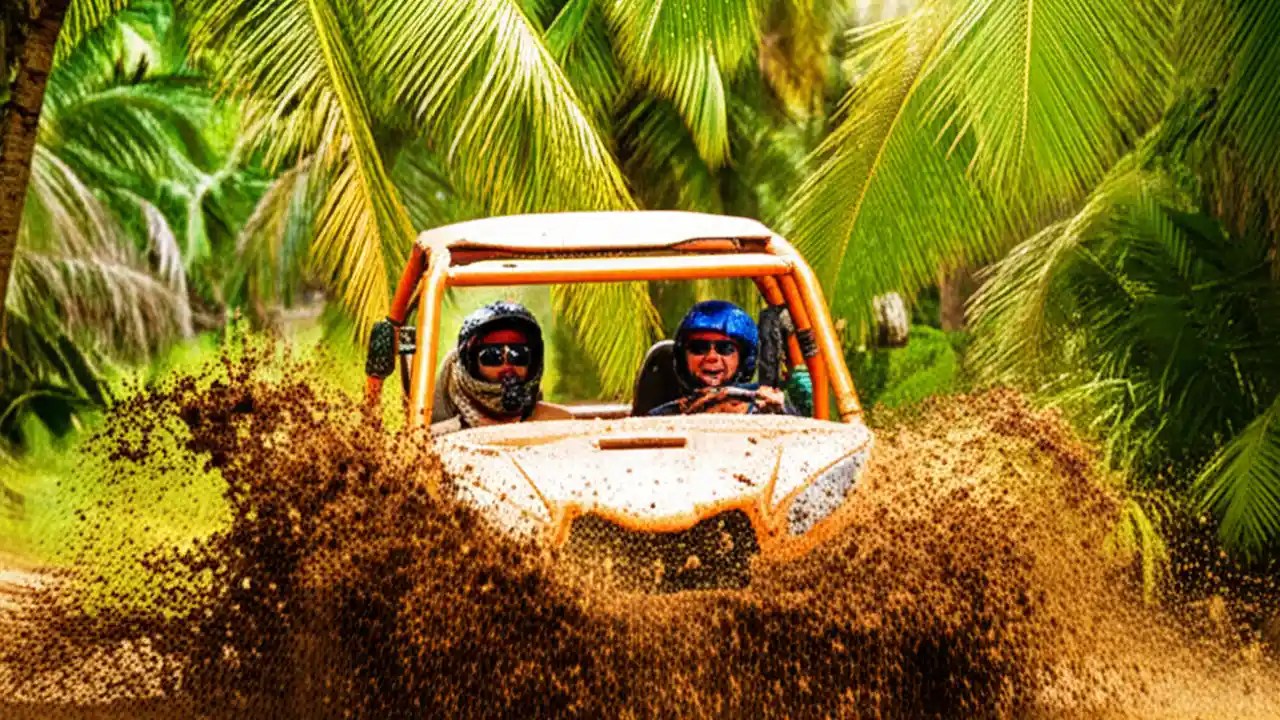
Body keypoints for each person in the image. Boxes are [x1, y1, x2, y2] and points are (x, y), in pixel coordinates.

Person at [430, 300, 571, 434]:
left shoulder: (559, 424)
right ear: (472, 363)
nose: (507, 365)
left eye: (518, 354)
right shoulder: (436, 438)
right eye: (492, 355)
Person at [648, 300, 798, 416]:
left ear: (743, 357)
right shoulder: (660, 418)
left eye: (725, 348)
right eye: (699, 348)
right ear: (683, 355)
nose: (712, 357)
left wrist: (781, 408)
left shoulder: (765, 404)